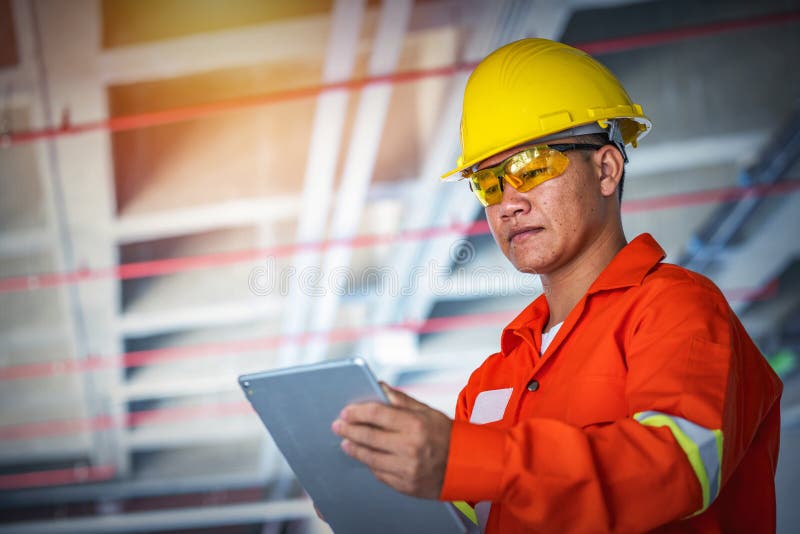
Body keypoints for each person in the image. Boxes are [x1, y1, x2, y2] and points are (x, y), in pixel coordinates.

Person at [331, 38, 783, 533]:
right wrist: (381, 497)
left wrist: (465, 458)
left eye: (532, 167)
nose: (509, 203)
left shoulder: (677, 307)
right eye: (489, 183)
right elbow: (473, 518)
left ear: (606, 169)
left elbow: (676, 469)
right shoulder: (492, 379)